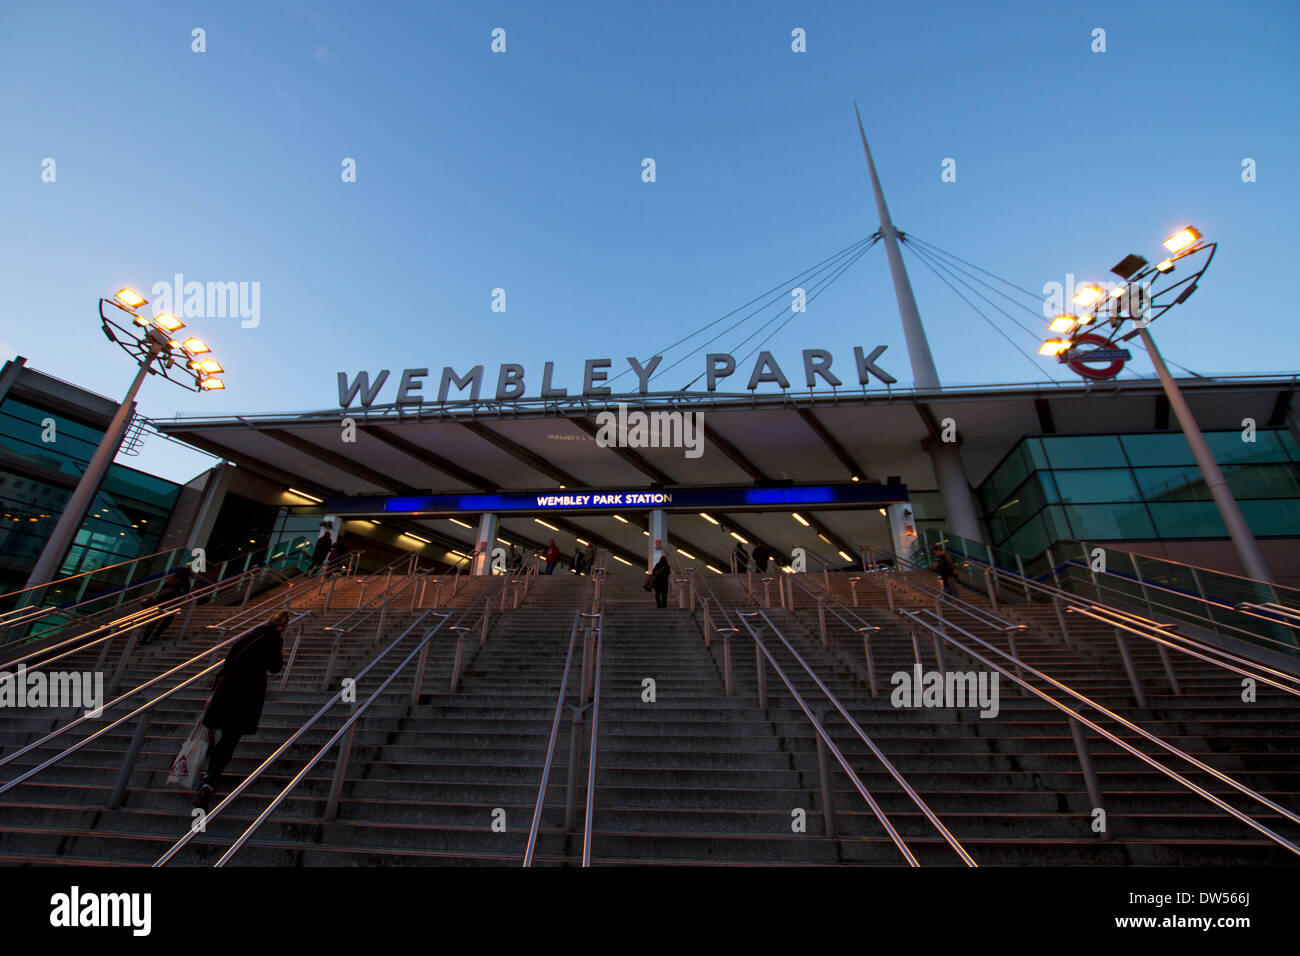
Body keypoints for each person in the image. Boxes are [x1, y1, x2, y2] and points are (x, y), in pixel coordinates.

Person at [194, 610, 289, 811]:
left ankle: (207, 773)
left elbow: (227, 663)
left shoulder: (247, 636)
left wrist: (213, 692)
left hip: (225, 688)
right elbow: (275, 667)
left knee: (220, 732)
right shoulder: (274, 639)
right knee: (230, 737)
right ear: (282, 628)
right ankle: (209, 779)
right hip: (246, 692)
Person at [138, 568, 196, 645]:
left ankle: (145, 637)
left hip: (160, 600)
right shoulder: (185, 581)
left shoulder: (170, 578)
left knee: (155, 620)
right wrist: (178, 599)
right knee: (167, 620)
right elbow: (185, 592)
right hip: (171, 602)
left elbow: (162, 589)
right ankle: (155, 635)